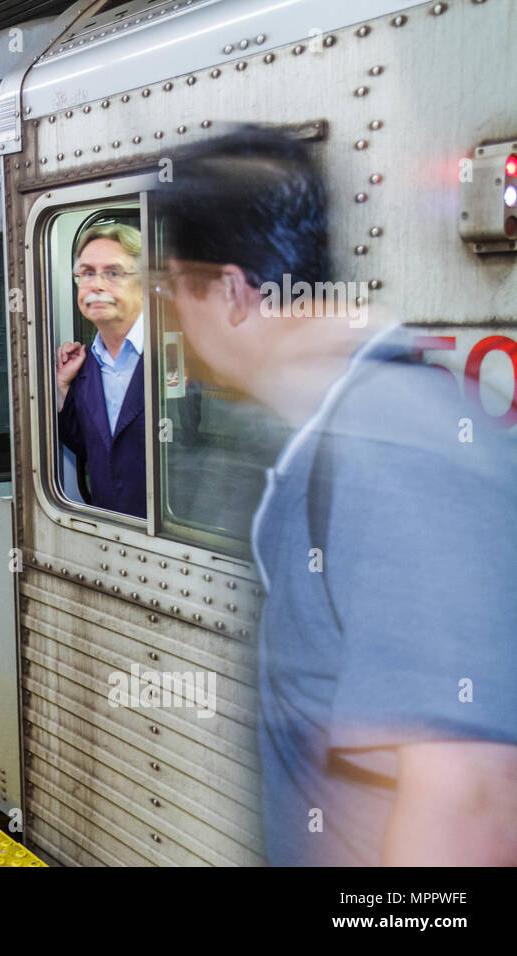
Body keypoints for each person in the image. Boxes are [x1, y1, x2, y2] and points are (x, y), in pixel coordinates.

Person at [153, 125, 517, 866]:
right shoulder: (326, 433)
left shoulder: (390, 451)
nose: (171, 320)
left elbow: (471, 805)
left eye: (172, 290)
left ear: (228, 291)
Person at [54, 224, 146, 517]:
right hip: (109, 538)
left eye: (114, 273)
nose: (97, 285)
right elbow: (90, 448)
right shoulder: (86, 365)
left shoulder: (180, 355)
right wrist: (63, 389)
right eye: (87, 273)